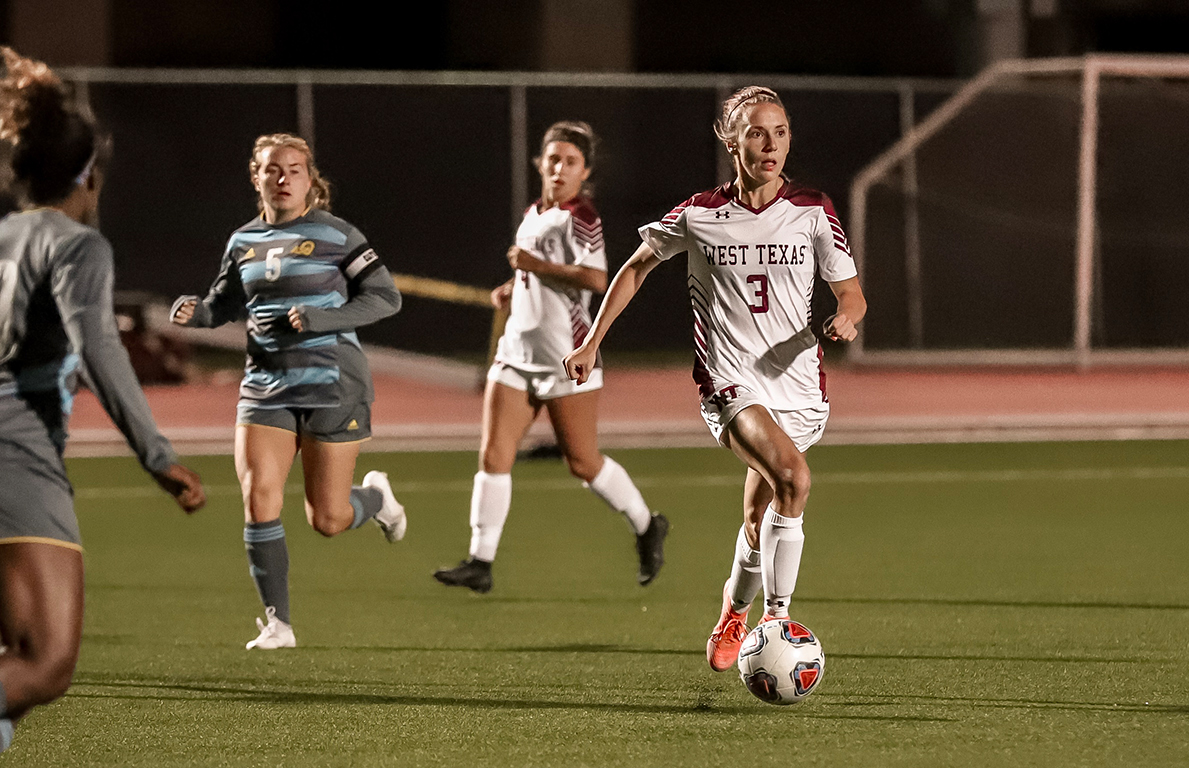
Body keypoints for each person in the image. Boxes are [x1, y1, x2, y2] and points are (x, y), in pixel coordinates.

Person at [563, 86, 866, 672]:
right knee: (794, 479)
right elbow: (635, 268)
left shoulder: (812, 209)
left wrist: (846, 319)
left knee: (760, 514)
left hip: (799, 386)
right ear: (731, 141)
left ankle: (734, 608)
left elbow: (850, 293)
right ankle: (778, 624)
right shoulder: (700, 214)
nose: (770, 144)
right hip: (729, 382)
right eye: (756, 132)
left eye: (779, 132)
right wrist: (592, 340)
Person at [0, 48, 206, 752]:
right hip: (14, 454)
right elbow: (99, 346)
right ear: (89, 175)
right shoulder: (77, 246)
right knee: (45, 662)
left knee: (14, 664)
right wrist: (158, 455)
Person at [170, 133, 403, 650]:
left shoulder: (338, 235)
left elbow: (387, 297)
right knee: (258, 498)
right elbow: (225, 302)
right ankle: (279, 624)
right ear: (257, 178)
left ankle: (375, 499)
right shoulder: (243, 242)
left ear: (308, 179)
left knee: (328, 518)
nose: (283, 179)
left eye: (294, 170)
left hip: (333, 385)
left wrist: (324, 318)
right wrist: (200, 313)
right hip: (265, 388)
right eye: (273, 170)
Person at [433, 121, 667, 595]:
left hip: (567, 358)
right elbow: (539, 277)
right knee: (494, 455)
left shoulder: (581, 215)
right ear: (541, 164)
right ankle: (481, 561)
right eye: (553, 159)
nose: (559, 168)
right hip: (516, 355)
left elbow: (596, 278)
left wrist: (536, 268)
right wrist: (514, 286)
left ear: (585, 172)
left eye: (570, 162)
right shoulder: (533, 212)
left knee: (583, 463)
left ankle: (647, 525)